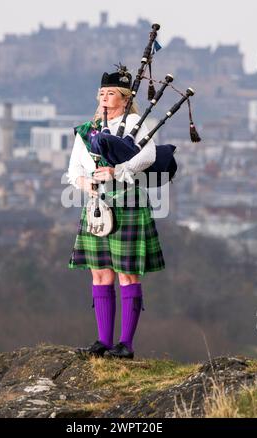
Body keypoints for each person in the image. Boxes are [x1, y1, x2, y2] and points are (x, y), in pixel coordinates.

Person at [66, 66, 165, 359]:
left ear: (124, 98)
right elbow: (73, 171)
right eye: (102, 93)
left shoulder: (136, 122)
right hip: (97, 205)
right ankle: (103, 342)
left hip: (129, 200)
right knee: (99, 274)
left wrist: (118, 170)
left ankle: (125, 345)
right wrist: (87, 183)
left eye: (111, 93)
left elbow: (148, 156)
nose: (105, 97)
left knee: (128, 275)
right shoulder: (88, 130)